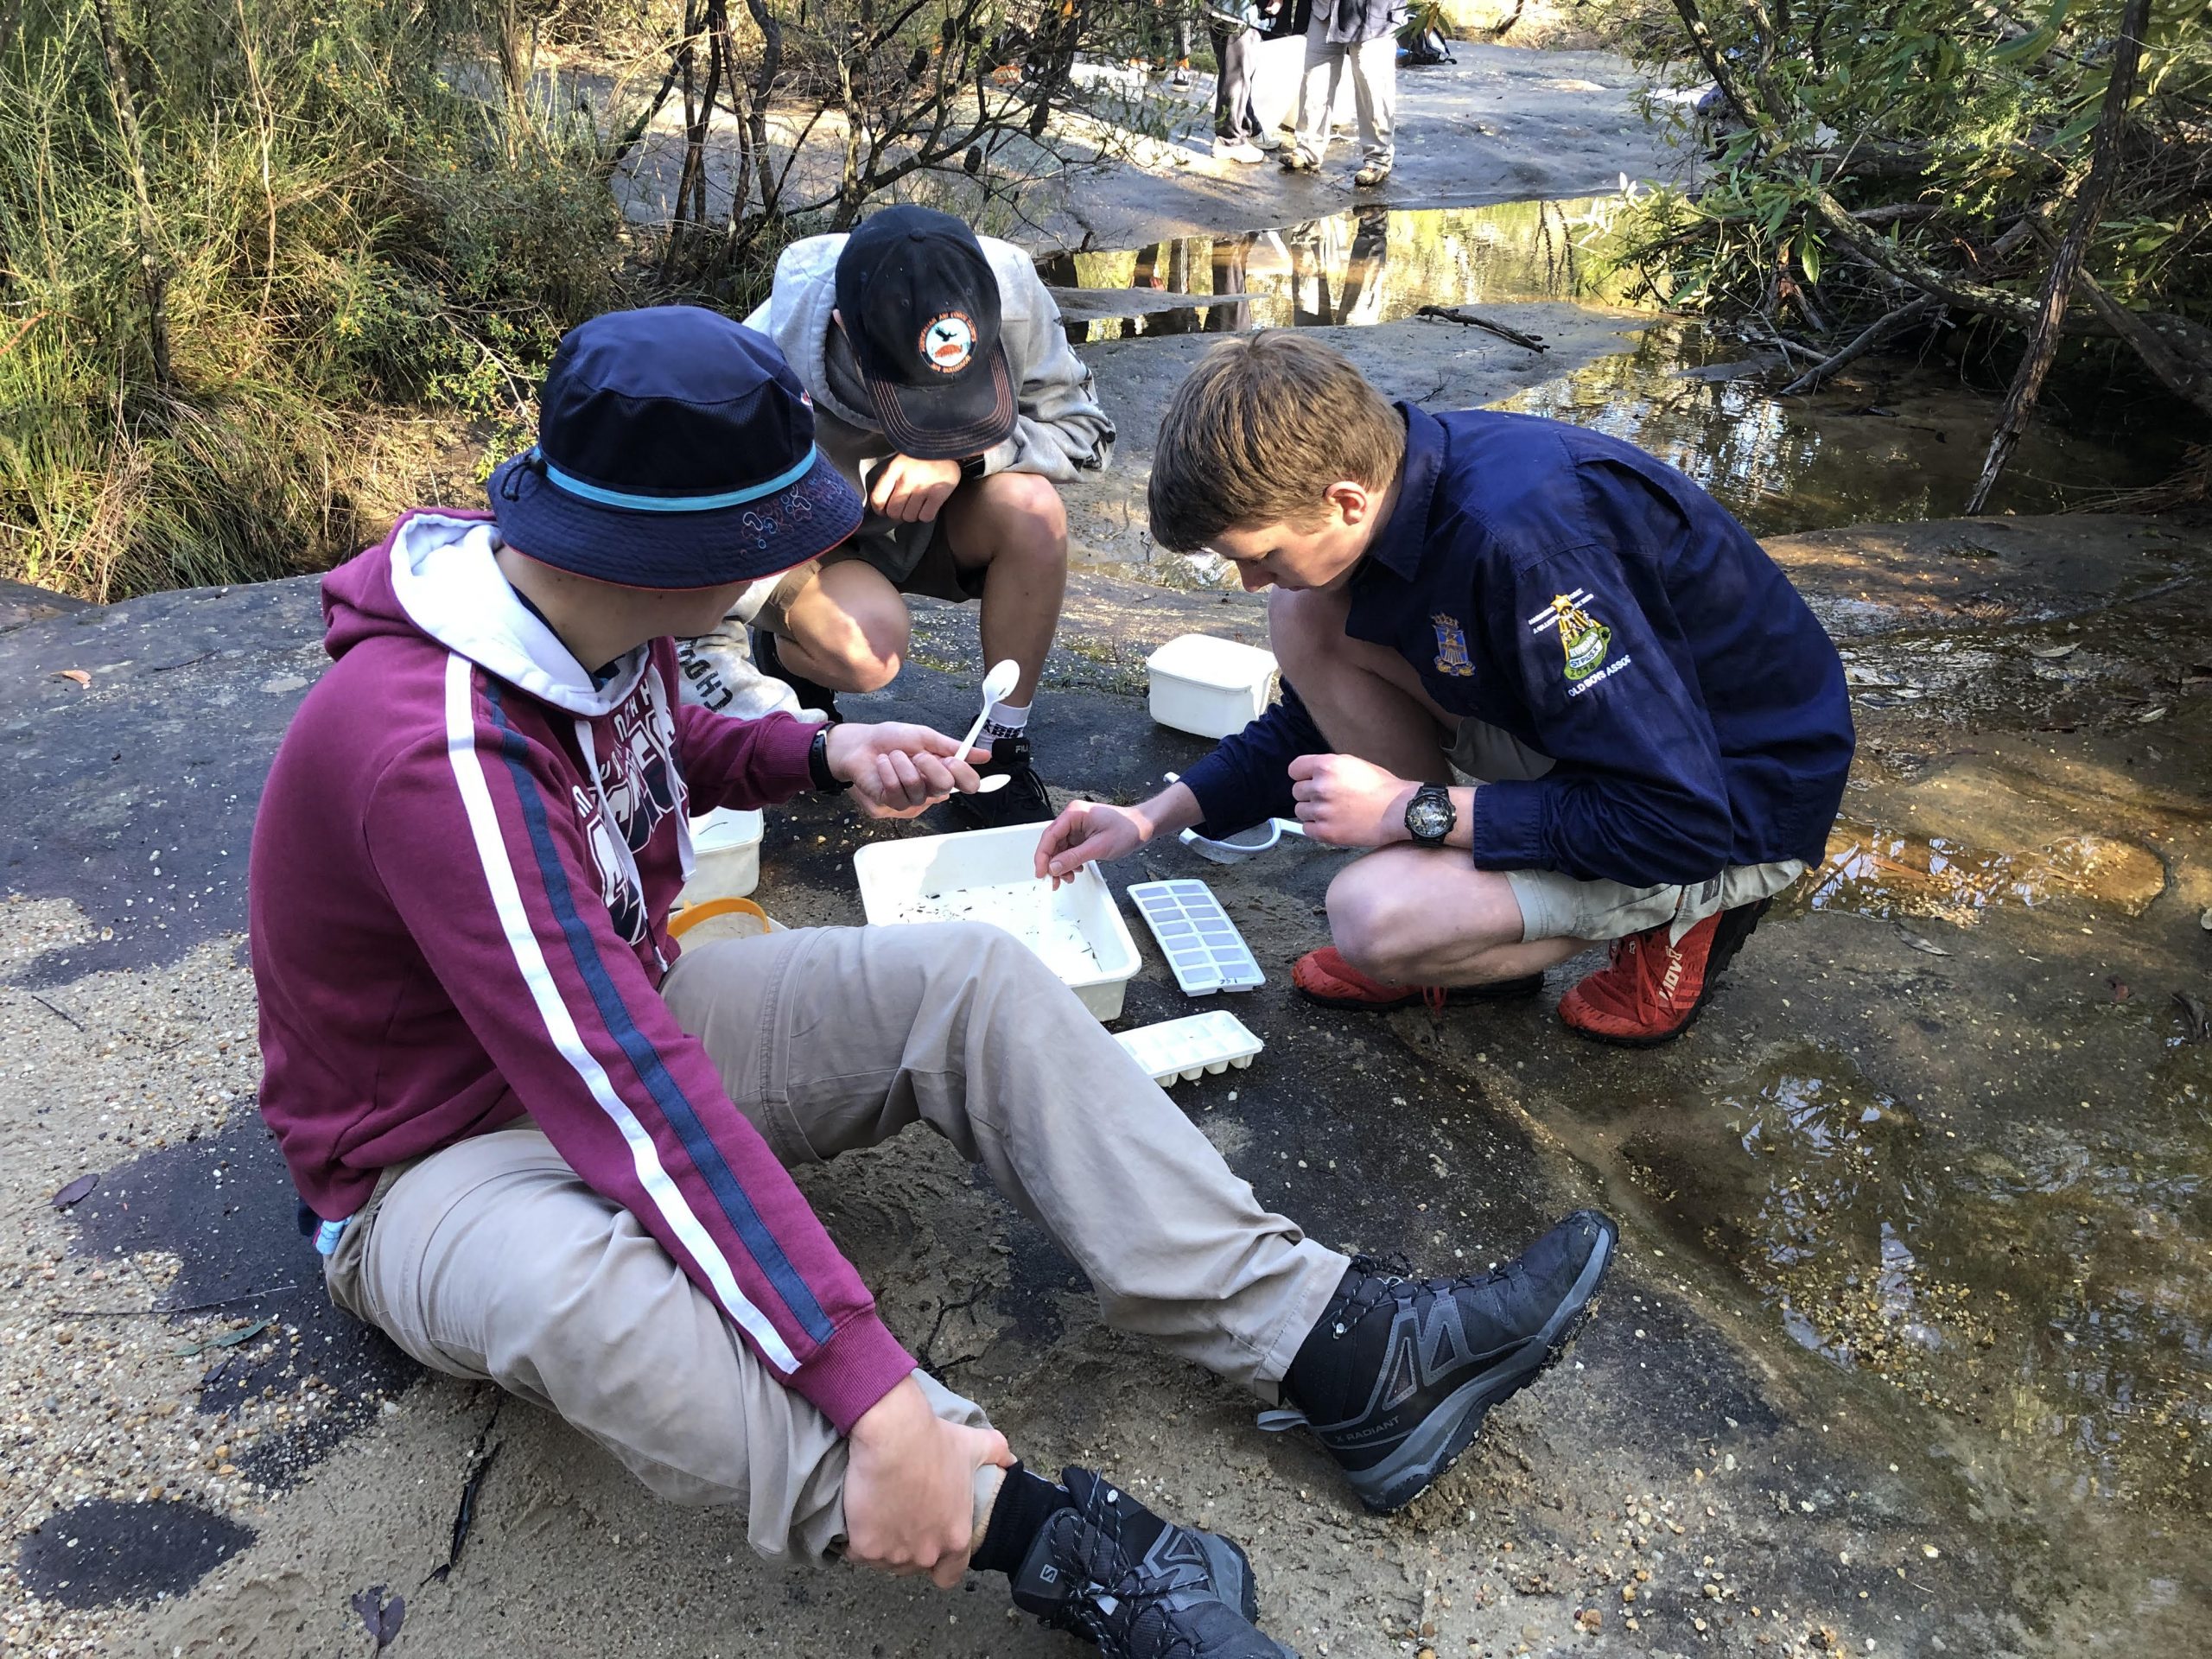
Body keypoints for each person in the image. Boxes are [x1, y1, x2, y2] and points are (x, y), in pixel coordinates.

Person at [250, 308, 1620, 1657]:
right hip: (425, 1162)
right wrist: (872, 1389)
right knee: (604, 1303)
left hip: (617, 1013)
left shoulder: (586, 612)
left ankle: (1337, 1349)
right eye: (767, 535)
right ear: (670, 551)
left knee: (965, 973)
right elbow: (626, 1098)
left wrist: (818, 759)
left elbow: (659, 748)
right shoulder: (438, 749)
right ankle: (1044, 1536)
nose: (794, 557)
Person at [1034, 333, 1854, 1047]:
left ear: (1344, 499)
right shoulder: (1396, 491)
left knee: (1373, 917)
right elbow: (1313, 721)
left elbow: (1672, 814)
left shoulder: (1529, 550)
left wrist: (1407, 810)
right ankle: (1465, 953)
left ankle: (1685, 912)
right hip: (1602, 735)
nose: (1246, 581)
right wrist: (1154, 815)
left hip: (1726, 798)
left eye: (1258, 553)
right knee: (1306, 614)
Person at [679, 206, 1115, 830]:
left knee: (1033, 511)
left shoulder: (1010, 287)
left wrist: (961, 456)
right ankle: (792, 653)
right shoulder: (756, 369)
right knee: (869, 653)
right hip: (803, 537)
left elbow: (1087, 433)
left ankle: (1000, 743)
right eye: (910, 400)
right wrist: (805, 746)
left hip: (933, 517)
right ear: (843, 331)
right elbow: (696, 610)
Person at [1280, 0, 1402, 188]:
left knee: (1372, 84)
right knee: (1315, 79)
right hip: (1325, 10)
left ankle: (1378, 159)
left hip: (1375, 16)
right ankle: (1307, 149)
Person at [1209, 0, 1281, 162]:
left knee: (1237, 75)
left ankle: (1248, 128)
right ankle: (1229, 141)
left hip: (1226, 11)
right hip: (1240, 15)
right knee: (1236, 78)